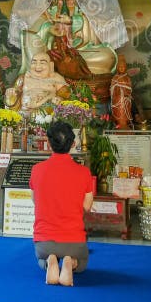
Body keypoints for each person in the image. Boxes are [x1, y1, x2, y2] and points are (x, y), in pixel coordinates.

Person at [29, 121, 94, 287]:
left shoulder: (37, 170)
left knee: (40, 258)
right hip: (75, 242)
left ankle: (49, 261)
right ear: (73, 144)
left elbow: (35, 200)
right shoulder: (84, 172)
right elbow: (87, 206)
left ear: (49, 143)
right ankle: (71, 263)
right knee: (82, 264)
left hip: (43, 243)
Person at [5, 51, 71, 116]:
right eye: (34, 62)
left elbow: (66, 94)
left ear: (51, 65)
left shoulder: (56, 78)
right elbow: (15, 93)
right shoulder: (23, 78)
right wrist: (12, 94)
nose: (38, 66)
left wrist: (59, 99)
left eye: (42, 63)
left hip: (46, 114)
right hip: (23, 113)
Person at [110, 54, 133, 129]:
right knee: (117, 113)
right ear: (117, 68)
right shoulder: (115, 77)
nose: (121, 68)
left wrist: (125, 91)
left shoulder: (127, 78)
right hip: (117, 99)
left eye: (123, 67)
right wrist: (116, 87)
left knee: (125, 113)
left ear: (125, 68)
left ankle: (125, 125)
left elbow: (130, 89)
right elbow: (111, 88)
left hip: (125, 100)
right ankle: (118, 125)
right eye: (120, 67)